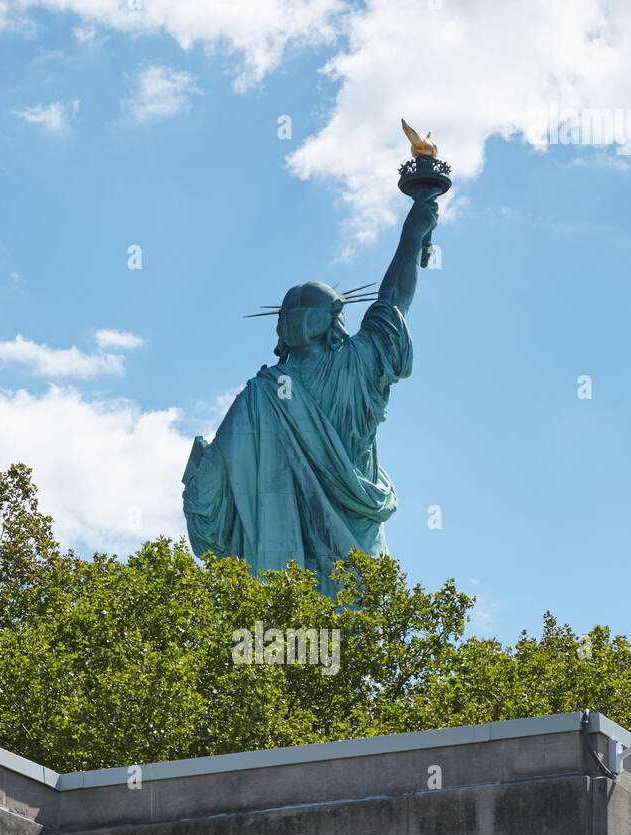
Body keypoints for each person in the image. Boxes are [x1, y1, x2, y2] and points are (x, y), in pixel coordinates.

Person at [182, 188, 440, 597]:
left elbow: (205, 494)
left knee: (286, 649)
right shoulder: (358, 367)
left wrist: (196, 469)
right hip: (357, 566)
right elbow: (393, 300)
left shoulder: (258, 397)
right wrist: (416, 226)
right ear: (335, 320)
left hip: (279, 598)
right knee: (354, 654)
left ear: (282, 328)